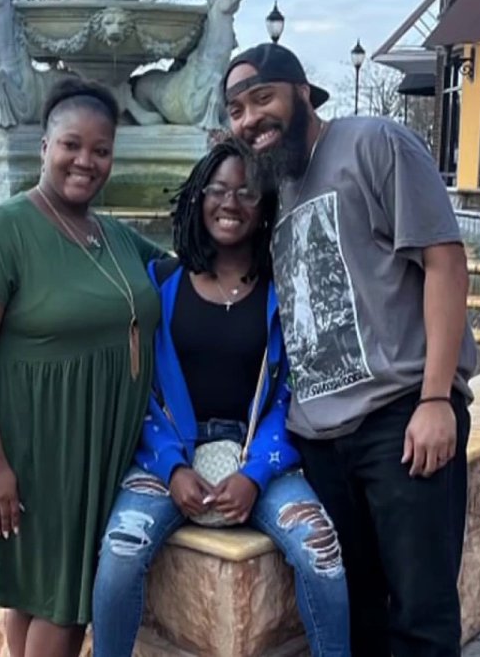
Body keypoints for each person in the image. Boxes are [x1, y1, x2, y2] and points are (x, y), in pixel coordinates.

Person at [222, 43, 477, 657]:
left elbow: (445, 262)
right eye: (235, 109)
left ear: (303, 93)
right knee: (354, 615)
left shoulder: (373, 143)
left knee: (420, 615)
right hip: (320, 441)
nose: (250, 117)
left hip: (400, 420)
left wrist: (436, 398)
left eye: (263, 98)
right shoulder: (272, 189)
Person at [0, 76, 167, 657]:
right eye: (71, 145)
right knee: (64, 606)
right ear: (44, 146)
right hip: (21, 443)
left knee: (38, 596)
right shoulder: (0, 230)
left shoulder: (111, 236)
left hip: (85, 445)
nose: (85, 161)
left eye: (101, 150)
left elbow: (189, 270)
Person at [90, 139, 351, 657]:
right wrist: (171, 469)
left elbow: (296, 394)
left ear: (265, 207)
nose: (230, 203)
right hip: (168, 459)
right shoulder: (160, 283)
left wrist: (254, 475)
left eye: (247, 193)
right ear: (198, 197)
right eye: (218, 189)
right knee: (120, 555)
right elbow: (141, 389)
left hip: (263, 459)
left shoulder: (286, 291)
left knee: (321, 552)